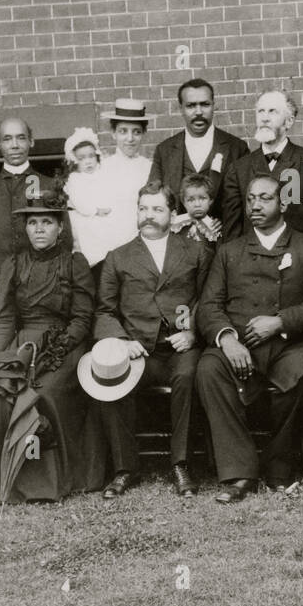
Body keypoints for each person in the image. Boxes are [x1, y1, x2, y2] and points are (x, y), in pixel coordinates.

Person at [194, 173, 303, 503]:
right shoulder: (229, 252)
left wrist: (280, 322)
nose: (255, 205)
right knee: (209, 369)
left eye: (265, 198)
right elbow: (209, 306)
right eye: (250, 199)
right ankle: (240, 472)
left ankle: (278, 467)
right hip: (240, 345)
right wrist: (227, 339)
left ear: (283, 203)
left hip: (290, 343)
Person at [0, 192, 105, 504]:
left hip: (65, 346)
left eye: (47, 222)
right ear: (25, 228)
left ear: (60, 228)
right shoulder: (13, 264)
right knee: (1, 394)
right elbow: (4, 320)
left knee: (46, 391)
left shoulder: (74, 263)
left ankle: (45, 484)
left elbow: (82, 319)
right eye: (33, 223)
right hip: (22, 344)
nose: (39, 229)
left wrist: (56, 349)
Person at [94, 180, 213, 498]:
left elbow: (209, 300)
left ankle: (181, 464)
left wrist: (192, 333)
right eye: (143, 208)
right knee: (112, 378)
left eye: (158, 209)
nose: (149, 215)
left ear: (173, 213)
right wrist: (120, 340)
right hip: (138, 349)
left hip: (180, 346)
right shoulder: (118, 257)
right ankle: (124, 468)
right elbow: (104, 311)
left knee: (188, 376)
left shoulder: (196, 250)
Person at [220, 89, 303, 248]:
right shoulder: (238, 169)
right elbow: (232, 235)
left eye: (272, 112)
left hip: (298, 264)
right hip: (253, 264)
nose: (265, 118)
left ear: (289, 121)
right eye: (261, 111)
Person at [0, 118, 61, 296]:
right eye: (7, 139)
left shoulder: (49, 186)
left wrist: (45, 276)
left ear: (31, 142)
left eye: (21, 138)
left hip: (42, 288)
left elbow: (63, 238)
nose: (14, 145)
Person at [149, 78, 250, 221]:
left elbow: (246, 203)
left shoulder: (237, 148)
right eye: (191, 105)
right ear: (181, 109)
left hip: (226, 240)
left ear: (214, 105)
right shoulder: (164, 151)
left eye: (205, 104)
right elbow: (154, 200)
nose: (198, 112)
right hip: (178, 240)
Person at [62, 127, 125, 273]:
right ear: (75, 161)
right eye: (82, 158)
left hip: (104, 216)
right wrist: (95, 210)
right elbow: (79, 202)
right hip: (86, 218)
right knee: (91, 243)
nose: (88, 162)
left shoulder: (102, 174)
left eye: (91, 156)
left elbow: (111, 193)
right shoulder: (75, 179)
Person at [101, 99, 154, 254]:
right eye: (123, 131)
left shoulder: (149, 168)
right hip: (111, 246)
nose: (130, 139)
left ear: (144, 133)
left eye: (136, 132)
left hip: (144, 245)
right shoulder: (103, 168)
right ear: (113, 133)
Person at [171, 173, 222, 243]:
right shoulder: (175, 224)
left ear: (211, 201)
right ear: (183, 202)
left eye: (202, 199)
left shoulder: (214, 228)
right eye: (191, 200)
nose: (197, 204)